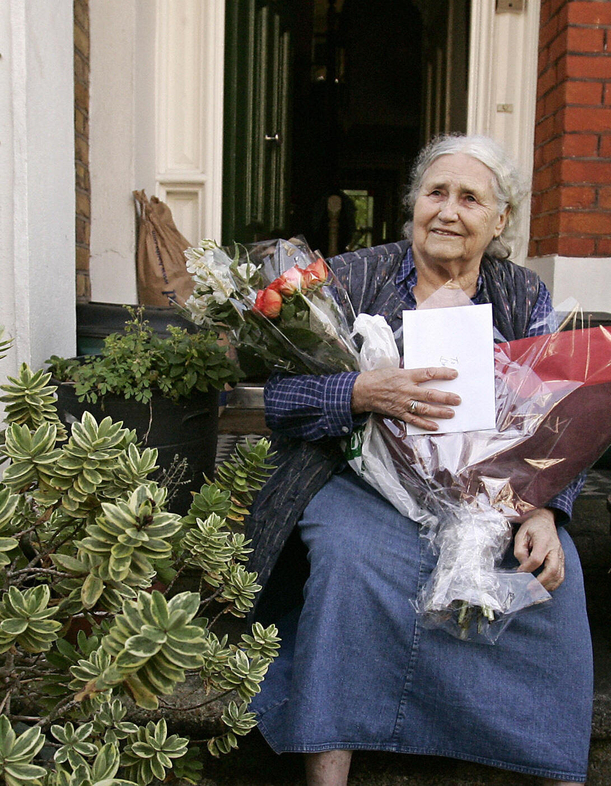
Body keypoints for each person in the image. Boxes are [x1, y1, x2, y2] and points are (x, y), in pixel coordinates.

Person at [246, 134, 592, 786]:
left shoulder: (523, 296)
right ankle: (329, 769)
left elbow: (554, 418)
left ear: (500, 220)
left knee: (554, 574)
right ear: (412, 206)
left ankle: (548, 764)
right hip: (355, 484)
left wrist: (545, 507)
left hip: (482, 494)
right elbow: (280, 399)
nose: (448, 211)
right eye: (436, 193)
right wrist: (358, 391)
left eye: (470, 198)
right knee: (351, 559)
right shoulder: (347, 280)